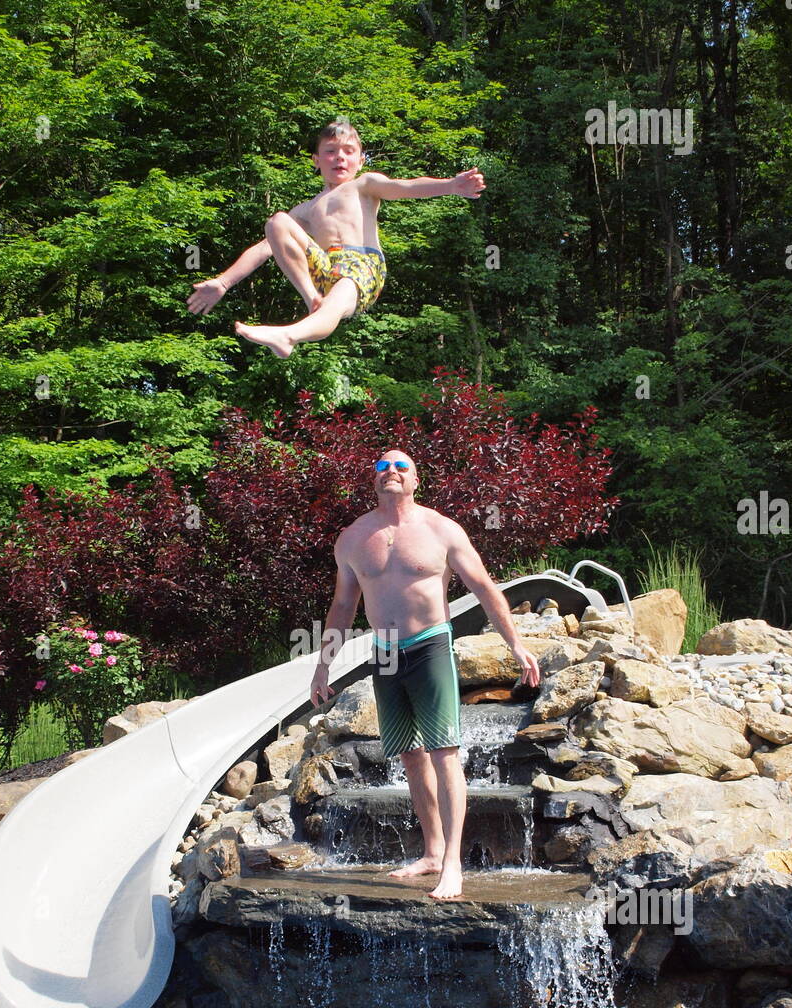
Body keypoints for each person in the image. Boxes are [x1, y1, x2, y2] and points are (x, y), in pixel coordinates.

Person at [310, 450, 540, 900]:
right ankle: (432, 852)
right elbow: (342, 606)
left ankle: (452, 864)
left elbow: (485, 587)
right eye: (380, 466)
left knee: (443, 752)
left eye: (400, 467)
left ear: (415, 479)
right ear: (372, 480)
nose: (390, 472)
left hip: (431, 645)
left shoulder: (441, 529)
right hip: (386, 654)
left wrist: (515, 644)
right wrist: (322, 665)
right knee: (410, 756)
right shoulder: (354, 538)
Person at [186, 120, 485, 357]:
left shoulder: (364, 186)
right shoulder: (306, 210)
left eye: (348, 151)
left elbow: (403, 187)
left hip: (363, 263)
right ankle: (311, 299)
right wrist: (223, 282)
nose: (339, 157)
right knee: (277, 221)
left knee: (342, 288)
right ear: (316, 160)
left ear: (361, 159)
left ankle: (289, 335)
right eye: (330, 151)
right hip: (325, 269)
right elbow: (267, 248)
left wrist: (450, 185)